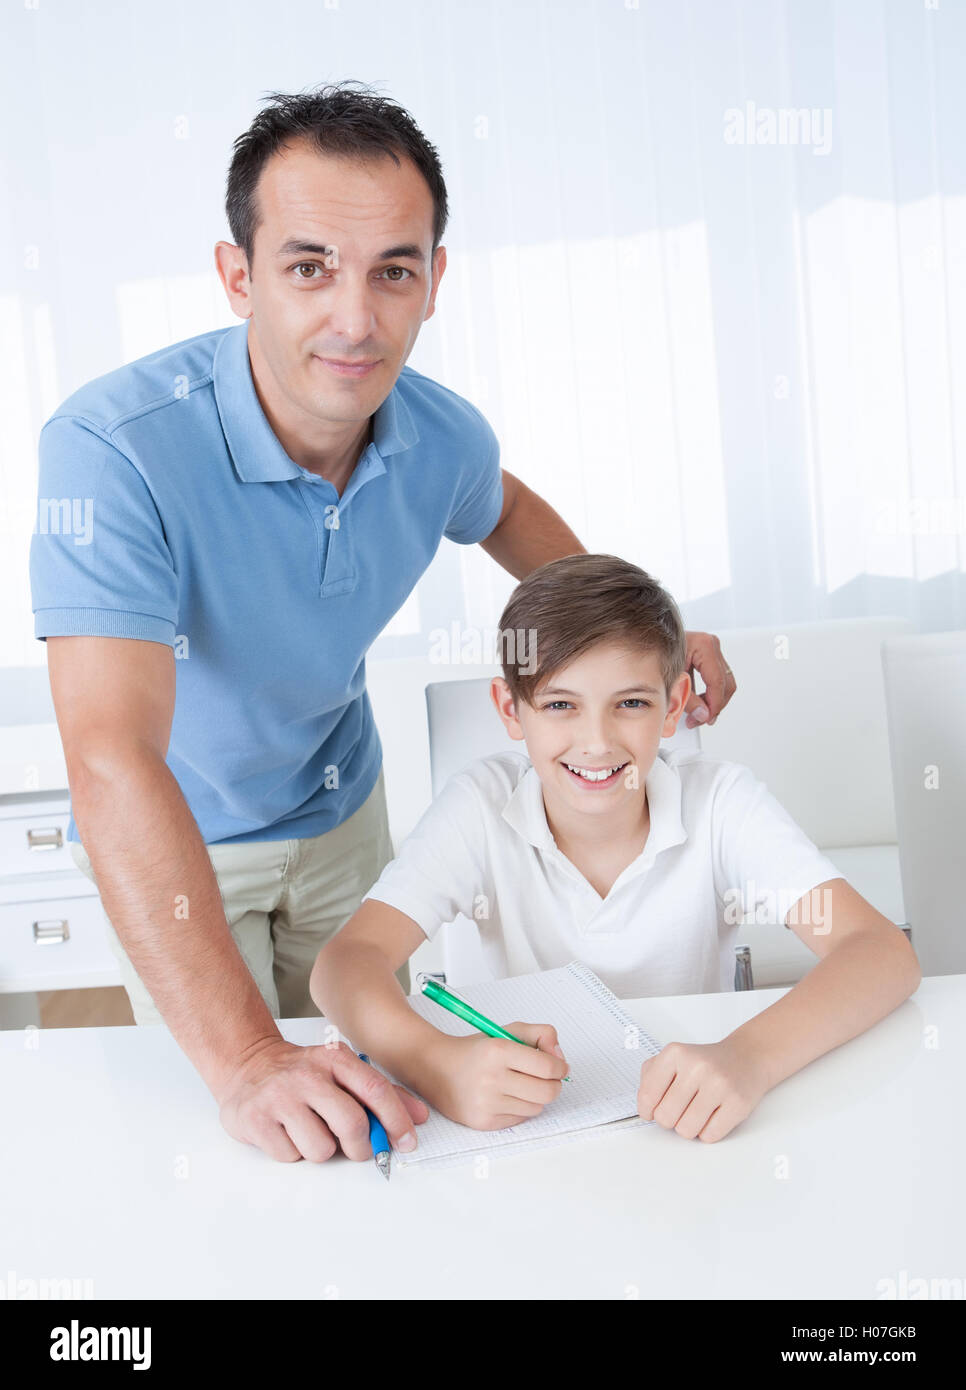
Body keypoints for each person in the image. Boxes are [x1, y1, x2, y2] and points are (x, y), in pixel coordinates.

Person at [29, 83, 735, 1165]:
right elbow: (112, 758)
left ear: (434, 281)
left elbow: (504, 510)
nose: (355, 319)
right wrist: (246, 1057)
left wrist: (650, 638)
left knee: (379, 1108)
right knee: (253, 1129)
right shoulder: (110, 450)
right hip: (180, 836)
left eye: (392, 269)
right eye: (308, 265)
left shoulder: (439, 435)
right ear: (238, 276)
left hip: (341, 810)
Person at [310, 553, 921, 1143]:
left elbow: (880, 953)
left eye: (630, 703)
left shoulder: (721, 804)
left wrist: (748, 1058)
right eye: (559, 705)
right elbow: (345, 964)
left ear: (674, 705)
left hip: (679, 1132)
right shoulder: (478, 807)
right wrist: (434, 1063)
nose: (596, 743)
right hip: (529, 1134)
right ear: (510, 709)